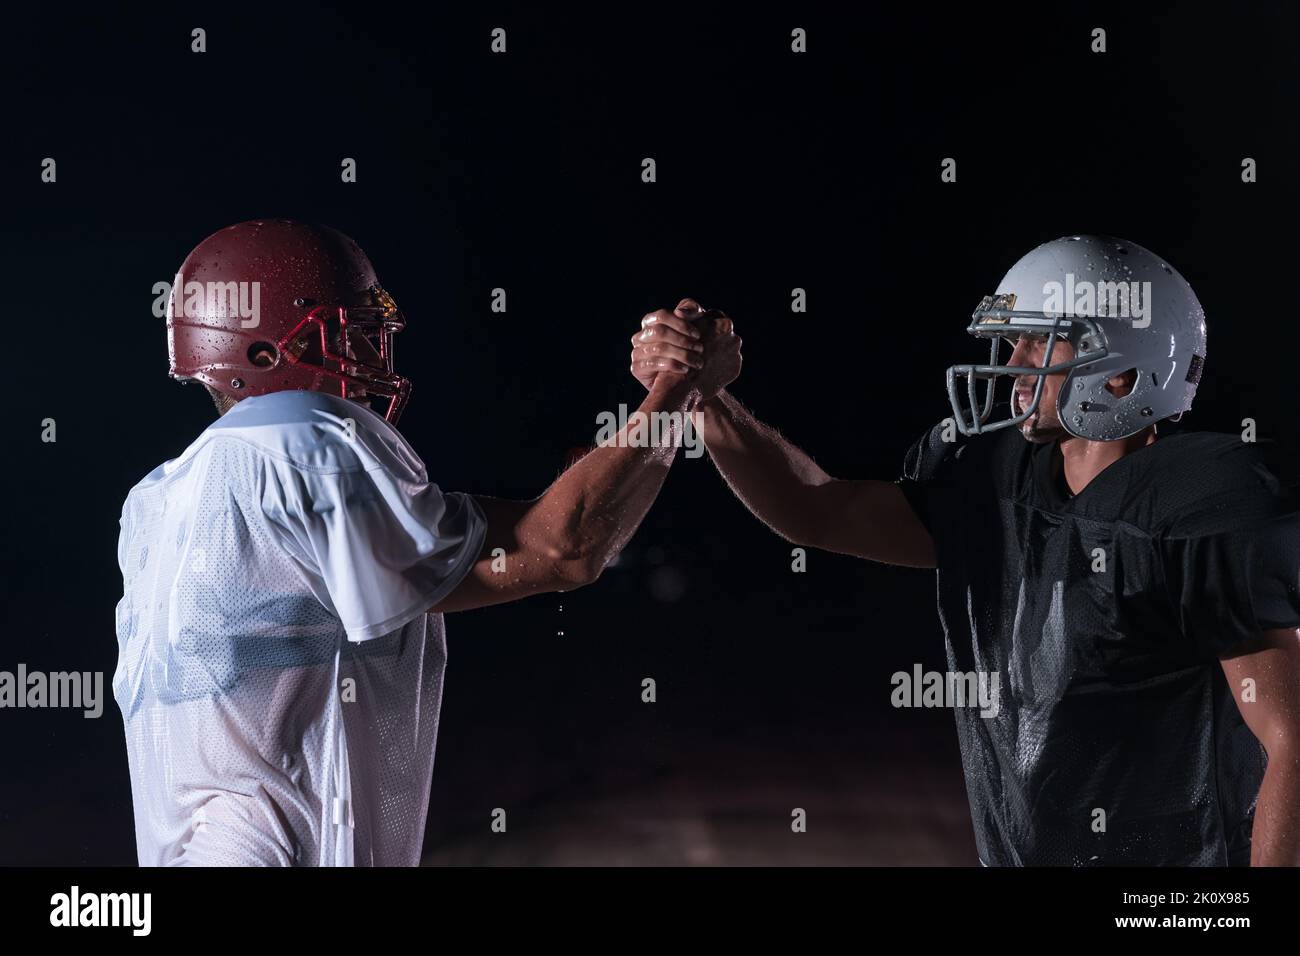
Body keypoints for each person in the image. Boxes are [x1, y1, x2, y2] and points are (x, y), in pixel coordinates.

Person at [631, 237, 1300, 866]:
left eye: (1038, 345)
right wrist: (704, 396)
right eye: (1011, 342)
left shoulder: (1203, 510)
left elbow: (1291, 741)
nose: (1010, 365)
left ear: (1121, 375)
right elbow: (816, 511)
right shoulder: (992, 477)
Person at [113, 219, 741, 865]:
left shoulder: (159, 498)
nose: (370, 358)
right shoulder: (302, 438)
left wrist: (671, 400)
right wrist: (679, 384)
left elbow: (550, 528)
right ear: (267, 351)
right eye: (350, 336)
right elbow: (563, 550)